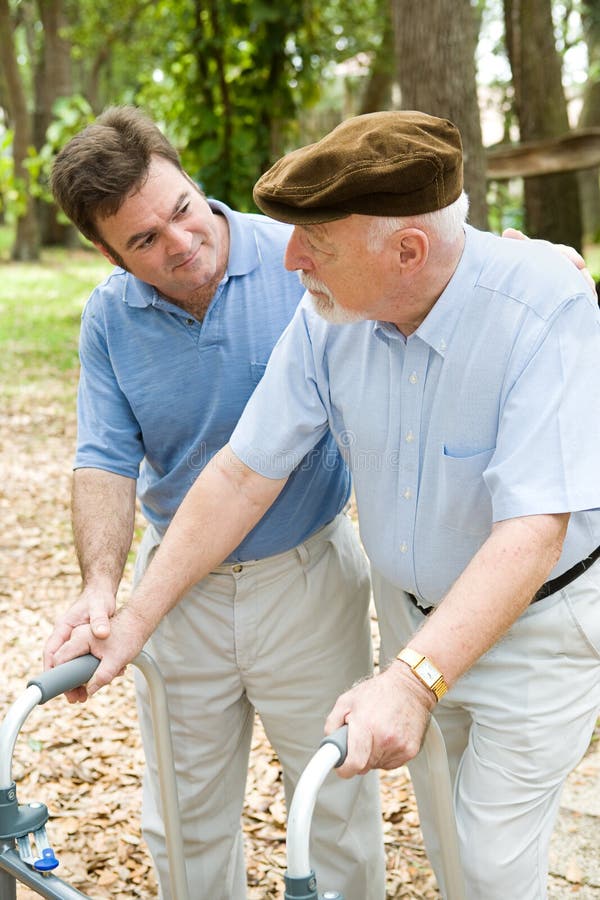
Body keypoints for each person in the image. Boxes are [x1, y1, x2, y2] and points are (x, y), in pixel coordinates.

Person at [48, 110, 600, 900]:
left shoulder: (539, 304)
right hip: (412, 618)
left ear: (407, 252)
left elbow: (532, 530)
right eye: (142, 239)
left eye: (319, 245)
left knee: (489, 865)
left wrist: (407, 684)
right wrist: (129, 620)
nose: (294, 259)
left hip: (536, 628)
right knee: (450, 850)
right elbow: (242, 473)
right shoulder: (326, 312)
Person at [45, 105, 385, 900]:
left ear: (192, 182)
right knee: (183, 820)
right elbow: (102, 459)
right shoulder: (108, 318)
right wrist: (101, 587)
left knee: (332, 812)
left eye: (182, 210)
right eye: (144, 241)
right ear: (104, 252)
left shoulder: (300, 260)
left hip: (306, 577)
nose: (180, 243)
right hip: (178, 594)